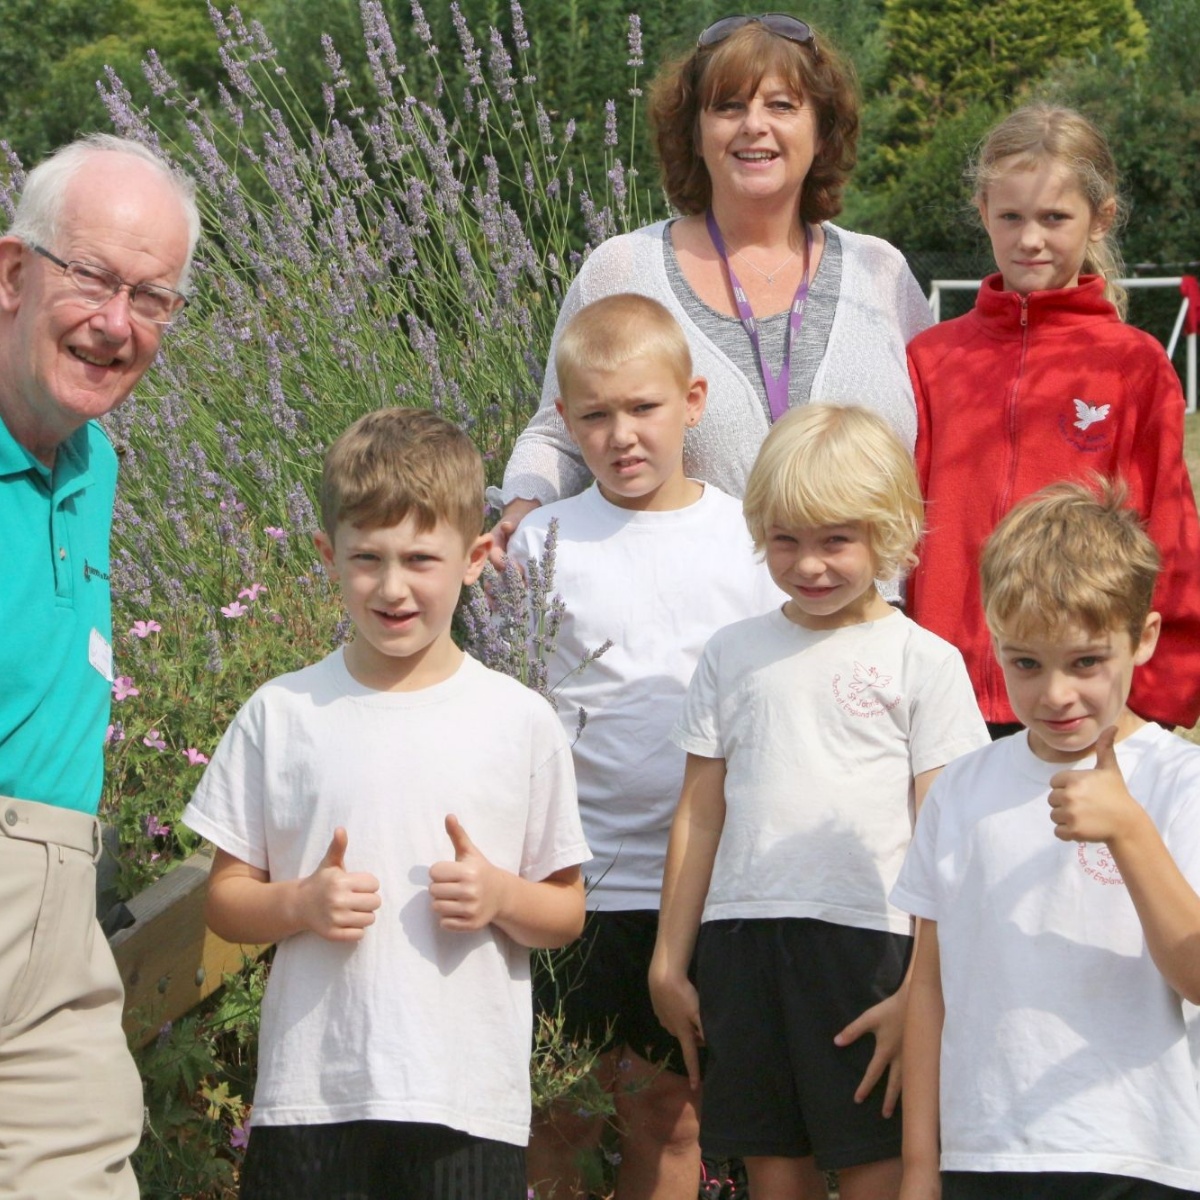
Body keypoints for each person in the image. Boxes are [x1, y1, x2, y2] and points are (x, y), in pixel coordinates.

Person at [181, 408, 590, 1200]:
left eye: (419, 559)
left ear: (475, 559)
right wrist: (299, 902)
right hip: (313, 1096)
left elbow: (565, 912)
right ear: (326, 555)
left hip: (465, 1100)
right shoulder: (282, 712)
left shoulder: (519, 720)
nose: (392, 586)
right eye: (366, 558)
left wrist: (502, 895)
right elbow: (226, 901)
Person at [649, 405, 989, 1200]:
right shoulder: (732, 653)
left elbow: (948, 843)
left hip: (872, 950)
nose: (810, 564)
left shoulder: (925, 661)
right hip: (740, 945)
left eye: (836, 540)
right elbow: (700, 812)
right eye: (786, 540)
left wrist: (921, 991)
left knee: (876, 1167)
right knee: (773, 1170)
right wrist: (670, 956)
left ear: (891, 531)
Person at [506, 294, 783, 1199]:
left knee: (670, 1114)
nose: (622, 435)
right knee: (561, 1111)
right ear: (565, 421)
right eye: (595, 415)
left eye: (644, 408)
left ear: (693, 402)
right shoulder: (541, 543)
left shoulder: (747, 539)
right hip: (573, 881)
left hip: (697, 885)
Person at [490, 15, 931, 580]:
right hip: (689, 631)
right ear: (694, 134)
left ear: (821, 130)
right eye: (727, 107)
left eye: (781, 105)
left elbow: (940, 448)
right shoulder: (625, 270)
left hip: (866, 636)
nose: (754, 126)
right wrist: (524, 509)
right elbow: (563, 433)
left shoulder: (881, 272)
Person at [893, 480, 1200, 1200]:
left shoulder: (1181, 785)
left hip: (1138, 1154)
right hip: (986, 1154)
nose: (1055, 694)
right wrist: (918, 1167)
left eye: (1086, 662)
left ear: (1144, 638)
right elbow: (931, 988)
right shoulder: (962, 790)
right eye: (1026, 663)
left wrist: (1129, 830)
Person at [0, 133, 199, 1198]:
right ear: (12, 271)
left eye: (152, 298)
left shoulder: (92, 457)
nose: (116, 322)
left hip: (61, 908)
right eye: (92, 277)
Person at [905, 104, 1200, 734]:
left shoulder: (1134, 365)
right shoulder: (932, 359)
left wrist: (1153, 705)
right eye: (1010, 216)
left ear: (1101, 219)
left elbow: (1170, 543)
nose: (1029, 238)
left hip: (1078, 705)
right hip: (942, 704)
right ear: (983, 210)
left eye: (1054, 218)